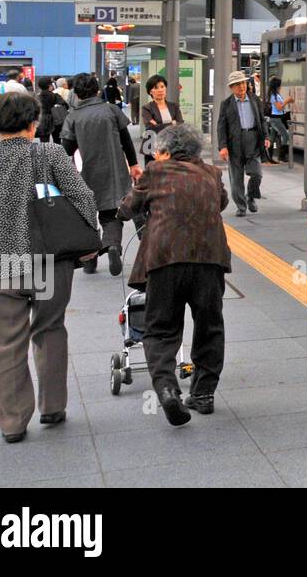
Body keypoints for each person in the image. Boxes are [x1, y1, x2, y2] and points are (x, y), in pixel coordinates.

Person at [0, 92, 98, 442]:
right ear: (33, 124)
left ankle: (13, 423)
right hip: (46, 260)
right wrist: (90, 239)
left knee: (4, 343)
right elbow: (83, 198)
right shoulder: (49, 154)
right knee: (49, 329)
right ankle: (52, 407)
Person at [117, 123, 230, 427]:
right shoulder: (211, 173)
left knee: (161, 328)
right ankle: (203, 393)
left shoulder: (156, 171)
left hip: (165, 260)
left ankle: (167, 389)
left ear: (168, 151)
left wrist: (121, 211)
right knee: (209, 326)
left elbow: (129, 207)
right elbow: (221, 203)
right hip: (209, 260)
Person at [61, 72, 141, 276]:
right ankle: (112, 245)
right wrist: (133, 164)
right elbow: (126, 140)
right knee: (111, 214)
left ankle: (89, 260)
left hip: (84, 174)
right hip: (115, 171)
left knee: (86, 217)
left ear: (76, 94)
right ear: (97, 90)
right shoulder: (111, 110)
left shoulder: (73, 117)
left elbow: (66, 149)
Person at [216, 69, 268, 217]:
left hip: (252, 139)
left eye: (243, 83)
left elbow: (262, 120)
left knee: (257, 173)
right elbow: (221, 127)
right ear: (231, 87)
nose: (242, 87)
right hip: (235, 143)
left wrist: (266, 137)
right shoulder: (226, 104)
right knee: (236, 178)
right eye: (237, 84)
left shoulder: (255, 100)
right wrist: (223, 146)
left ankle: (251, 196)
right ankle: (241, 206)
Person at [139, 73, 184, 166]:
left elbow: (180, 124)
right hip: (153, 145)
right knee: (153, 174)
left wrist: (159, 124)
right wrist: (172, 123)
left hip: (172, 145)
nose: (160, 90)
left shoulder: (174, 106)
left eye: (162, 86)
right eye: (155, 88)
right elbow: (151, 127)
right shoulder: (147, 108)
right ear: (150, 91)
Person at [266, 76, 292, 164]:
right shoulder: (273, 96)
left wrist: (289, 101)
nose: (281, 87)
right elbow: (279, 107)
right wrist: (287, 101)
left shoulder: (276, 95)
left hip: (277, 118)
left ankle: (269, 157)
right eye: (280, 85)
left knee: (272, 138)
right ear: (276, 86)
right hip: (276, 119)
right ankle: (282, 156)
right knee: (285, 135)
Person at [36, 77, 67, 145]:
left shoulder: (37, 97)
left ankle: (44, 155)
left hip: (42, 120)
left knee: (43, 144)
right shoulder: (55, 96)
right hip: (55, 120)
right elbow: (65, 105)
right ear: (50, 86)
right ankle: (56, 155)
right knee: (57, 142)